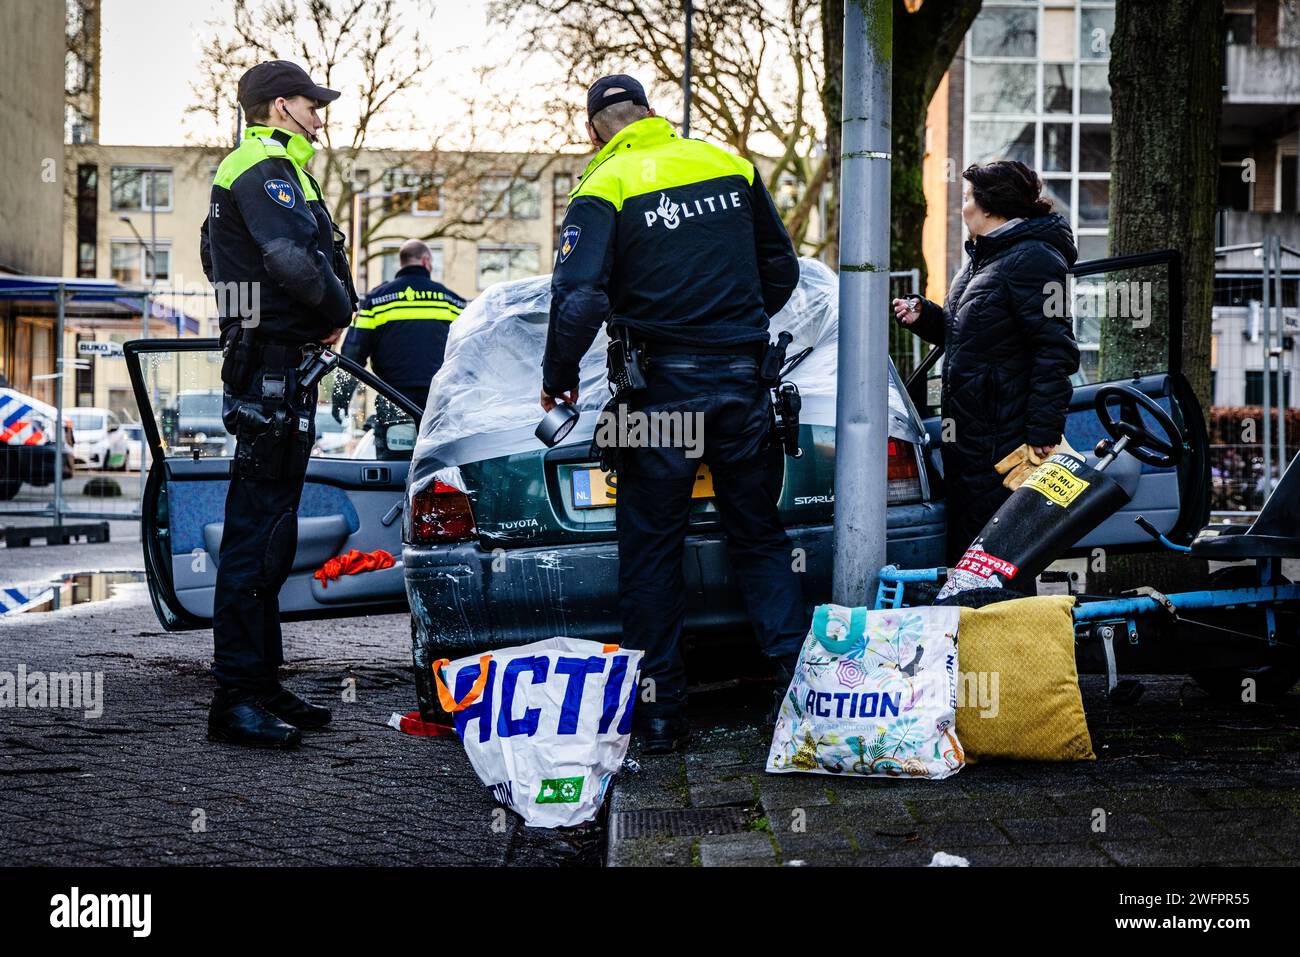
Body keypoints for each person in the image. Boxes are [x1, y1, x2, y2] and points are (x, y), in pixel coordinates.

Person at [540, 75, 807, 754]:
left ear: (594, 129)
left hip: (654, 394)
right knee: (759, 534)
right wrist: (733, 327)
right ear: (653, 114)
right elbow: (782, 268)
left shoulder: (606, 184)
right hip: (744, 380)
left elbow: (578, 301)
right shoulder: (728, 163)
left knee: (652, 547)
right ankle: (799, 690)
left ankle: (660, 716)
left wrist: (558, 380)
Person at [199, 60, 358, 748]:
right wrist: (339, 309)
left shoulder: (276, 169)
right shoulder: (262, 165)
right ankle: (235, 698)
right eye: (310, 103)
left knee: (272, 534)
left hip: (280, 368)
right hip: (269, 372)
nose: (319, 114)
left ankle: (260, 683)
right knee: (252, 539)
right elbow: (291, 260)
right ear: (276, 107)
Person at [893, 159, 1079, 572]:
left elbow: (1056, 349)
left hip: (1003, 440)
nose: (963, 208)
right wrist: (923, 316)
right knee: (973, 553)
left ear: (990, 206)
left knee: (998, 555)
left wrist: (1043, 431)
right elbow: (970, 336)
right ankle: (972, 631)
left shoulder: (1036, 260)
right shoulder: (982, 261)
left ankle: (1007, 632)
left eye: (966, 199)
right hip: (971, 436)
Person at [334, 238, 465, 420]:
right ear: (426, 261)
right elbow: (470, 351)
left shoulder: (377, 300)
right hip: (439, 402)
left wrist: (341, 396)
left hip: (394, 400)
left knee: (395, 447)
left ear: (401, 263)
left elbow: (354, 352)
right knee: (437, 449)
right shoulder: (453, 302)